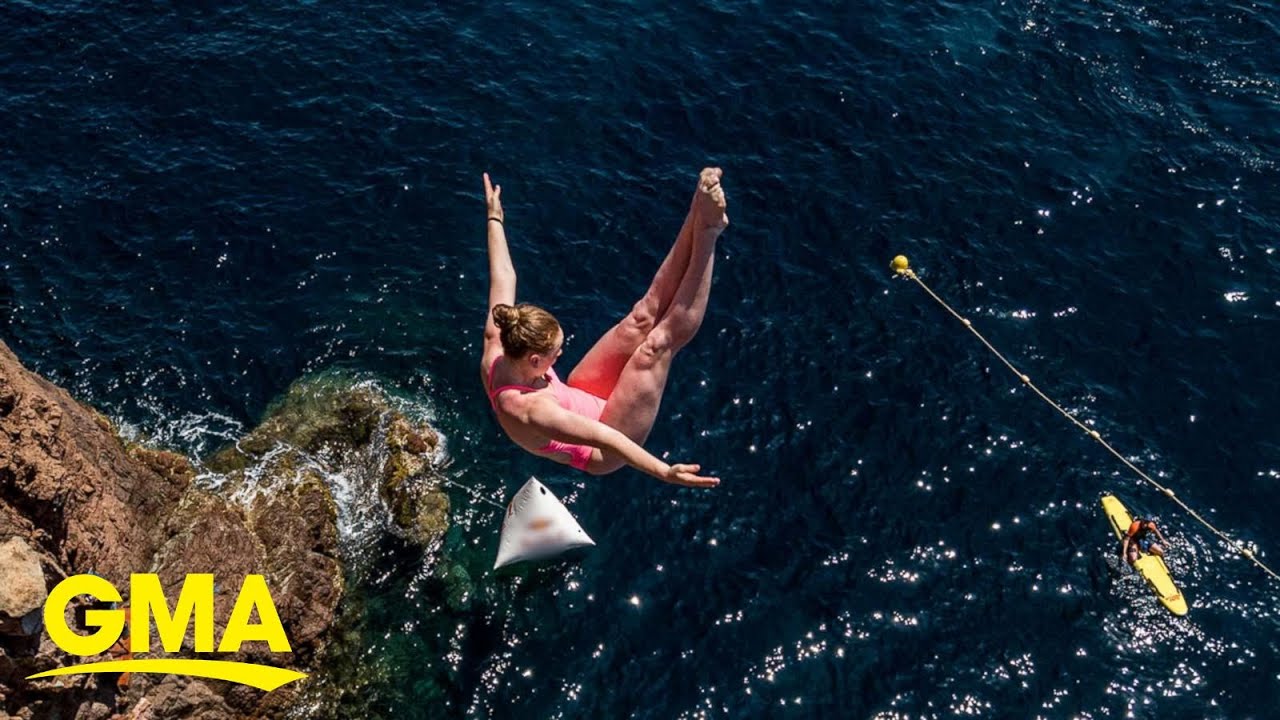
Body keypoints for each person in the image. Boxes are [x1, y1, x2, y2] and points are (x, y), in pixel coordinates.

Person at [480, 168, 728, 488]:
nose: (561, 353)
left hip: (578, 395)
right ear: (534, 360)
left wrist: (494, 218)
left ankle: (697, 210)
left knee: (640, 318)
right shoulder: (531, 410)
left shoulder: (499, 340)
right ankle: (708, 232)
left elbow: (504, 276)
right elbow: (606, 437)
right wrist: (664, 472)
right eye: (557, 353)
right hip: (599, 452)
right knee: (655, 347)